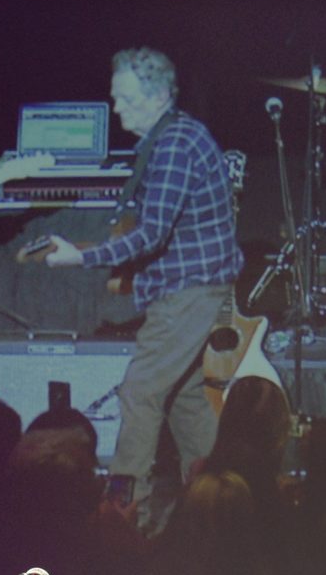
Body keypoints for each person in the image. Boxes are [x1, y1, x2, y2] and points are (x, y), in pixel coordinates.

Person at [34, 47, 243, 537]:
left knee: (140, 392)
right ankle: (223, 510)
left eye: (126, 99)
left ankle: (128, 520)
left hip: (191, 290)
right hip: (193, 286)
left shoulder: (174, 145)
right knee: (187, 400)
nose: (118, 109)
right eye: (115, 97)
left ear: (159, 95)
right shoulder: (167, 136)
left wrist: (79, 257)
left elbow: (151, 234)